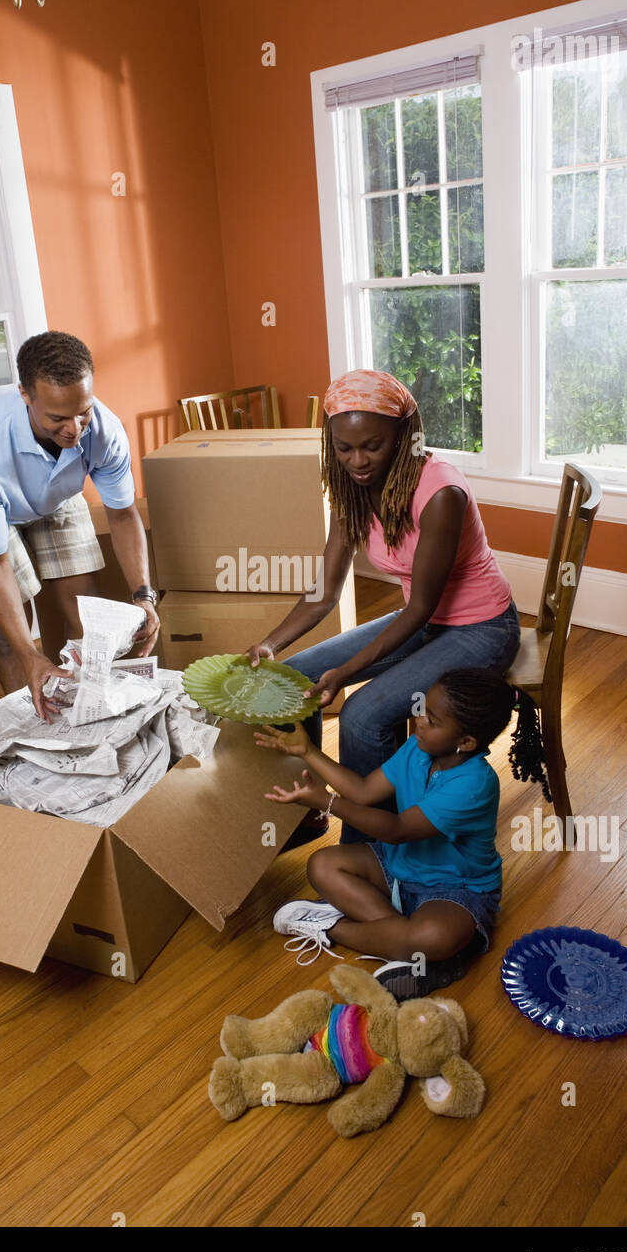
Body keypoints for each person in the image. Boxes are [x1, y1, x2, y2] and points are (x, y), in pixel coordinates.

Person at [244, 368, 520, 844]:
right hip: (426, 621)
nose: (357, 460)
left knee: (362, 716)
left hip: (480, 628)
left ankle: (368, 848)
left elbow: (421, 610)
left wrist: (347, 669)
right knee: (290, 677)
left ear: (403, 435)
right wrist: (269, 644)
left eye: (372, 445)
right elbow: (325, 591)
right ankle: (307, 810)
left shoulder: (441, 493)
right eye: (344, 448)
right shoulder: (351, 489)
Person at [256, 668, 551, 1000]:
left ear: (465, 742)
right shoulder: (418, 748)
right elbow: (365, 790)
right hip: (398, 866)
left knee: (432, 937)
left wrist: (326, 801)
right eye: (423, 709)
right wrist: (307, 751)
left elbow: (396, 830)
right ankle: (407, 949)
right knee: (322, 864)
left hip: (455, 889)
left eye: (433, 720)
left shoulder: (475, 784)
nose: (420, 720)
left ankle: (332, 927)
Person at [0, 330, 159, 721]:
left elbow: (123, 514)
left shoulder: (104, 431)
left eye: (84, 411)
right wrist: (31, 655)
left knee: (85, 614)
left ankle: (92, 714)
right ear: (26, 395)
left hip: (55, 492)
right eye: (58, 418)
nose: (75, 429)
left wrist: (143, 594)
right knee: (12, 638)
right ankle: (33, 725)